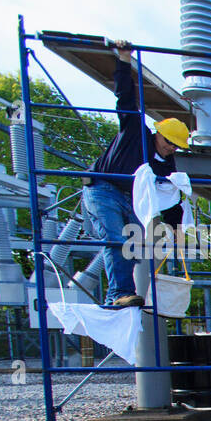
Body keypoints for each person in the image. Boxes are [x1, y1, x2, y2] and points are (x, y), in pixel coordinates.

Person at [82, 39, 189, 307]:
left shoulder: (167, 163)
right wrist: (124, 60)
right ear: (158, 134)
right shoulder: (135, 132)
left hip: (129, 198)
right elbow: (126, 97)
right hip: (103, 189)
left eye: (176, 146)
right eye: (168, 142)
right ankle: (119, 294)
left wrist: (176, 228)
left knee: (133, 245)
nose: (171, 148)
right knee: (117, 239)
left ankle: (118, 294)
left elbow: (170, 194)